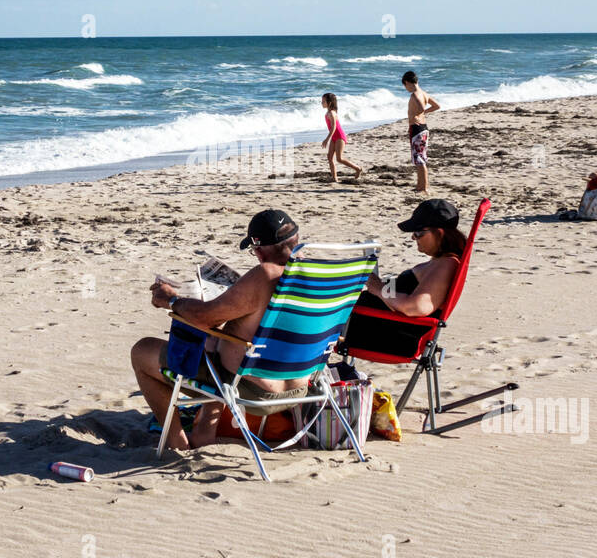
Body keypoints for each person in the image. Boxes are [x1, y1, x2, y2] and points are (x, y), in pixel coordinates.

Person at [130, 208, 309, 449]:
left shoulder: (266, 275)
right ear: (295, 238)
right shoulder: (323, 276)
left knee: (142, 351)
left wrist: (171, 300)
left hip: (253, 391)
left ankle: (176, 443)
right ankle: (204, 432)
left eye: (254, 249)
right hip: (302, 387)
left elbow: (206, 318)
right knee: (213, 343)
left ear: (258, 249)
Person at [341, 199, 465, 356]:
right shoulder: (442, 261)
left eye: (418, 233)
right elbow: (406, 293)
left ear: (439, 233)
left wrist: (379, 289)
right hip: (379, 321)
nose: (413, 238)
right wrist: (385, 283)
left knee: (311, 320)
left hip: (385, 332)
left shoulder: (445, 265)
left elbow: (416, 307)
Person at [402, 70, 440, 194]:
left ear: (407, 82)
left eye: (405, 86)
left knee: (419, 159)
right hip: (423, 127)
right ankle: (421, 185)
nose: (406, 88)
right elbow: (436, 106)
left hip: (417, 129)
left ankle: (423, 188)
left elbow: (421, 108)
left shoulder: (414, 95)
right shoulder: (424, 93)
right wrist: (422, 114)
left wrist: (415, 117)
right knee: (421, 157)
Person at [321, 92, 363, 182]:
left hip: (339, 136)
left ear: (330, 102)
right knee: (329, 157)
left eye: (323, 101)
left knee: (339, 158)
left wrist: (327, 139)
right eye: (322, 101)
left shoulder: (332, 113)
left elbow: (334, 127)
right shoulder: (327, 113)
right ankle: (334, 178)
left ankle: (358, 168)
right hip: (334, 137)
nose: (322, 103)